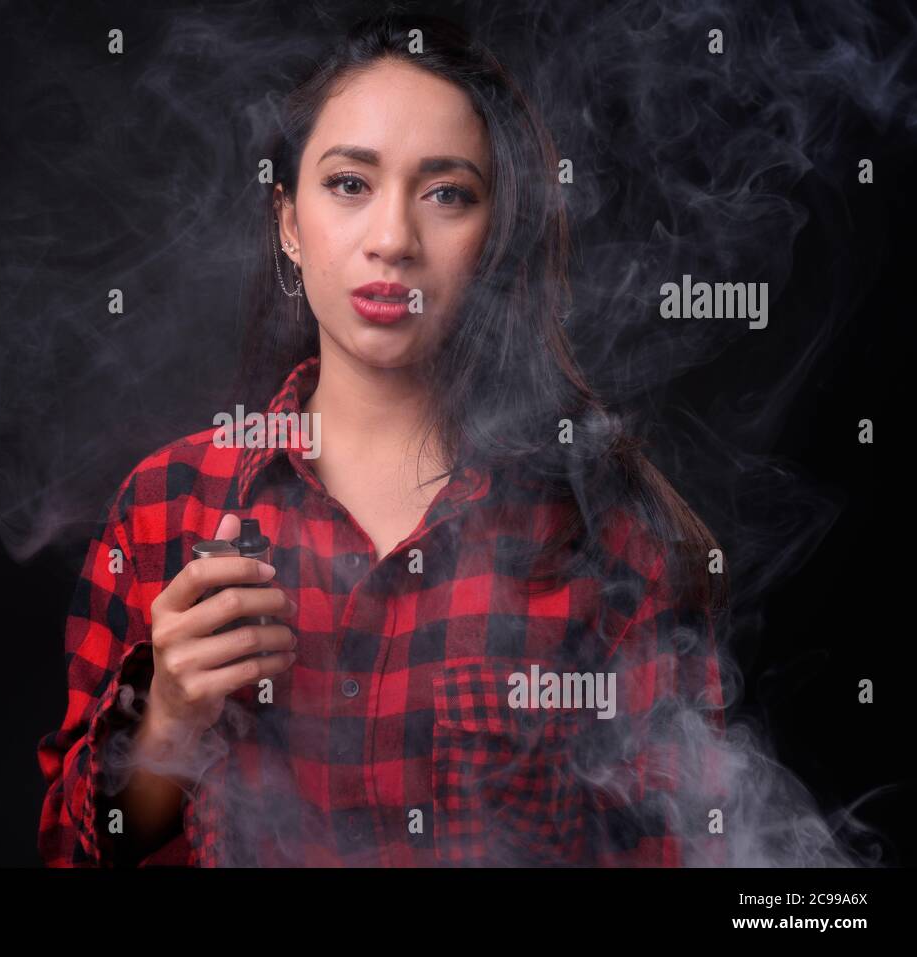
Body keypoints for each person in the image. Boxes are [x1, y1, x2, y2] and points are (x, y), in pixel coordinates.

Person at [37, 13, 728, 867]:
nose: (394, 239)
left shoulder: (606, 532)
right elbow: (77, 853)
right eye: (349, 184)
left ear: (496, 236)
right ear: (289, 222)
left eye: (446, 194)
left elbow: (693, 852)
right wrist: (171, 719)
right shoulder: (166, 508)